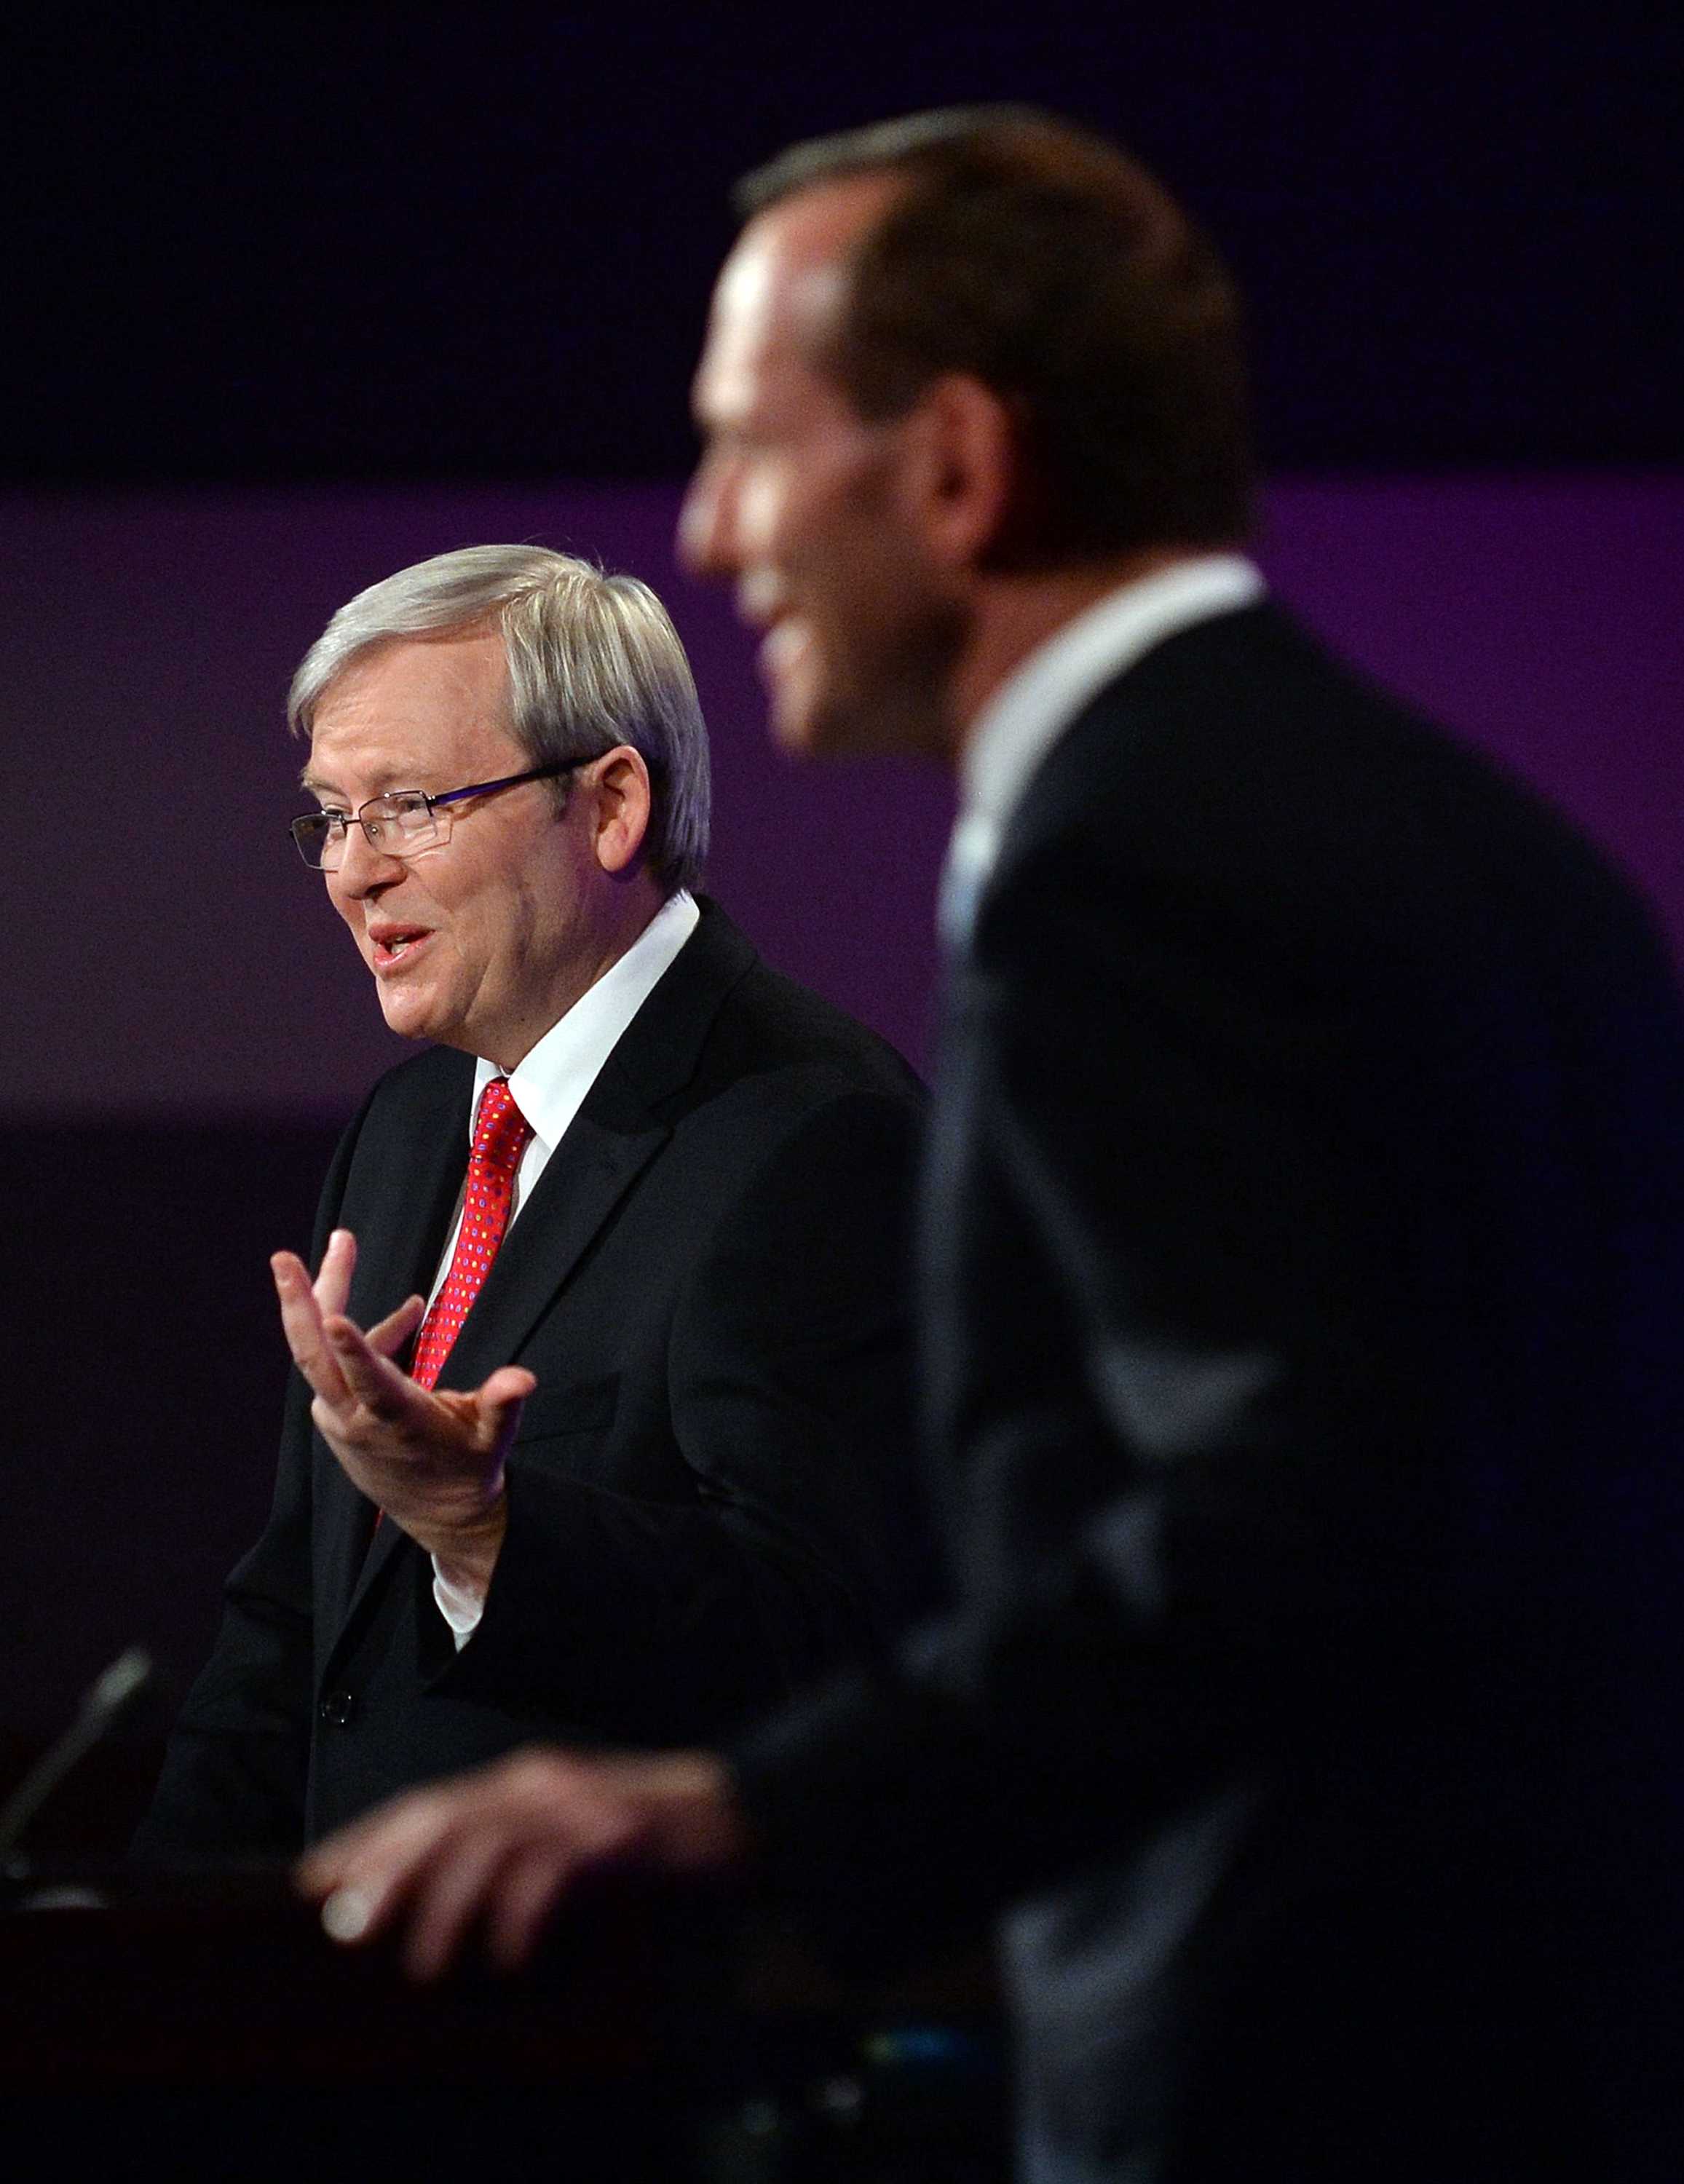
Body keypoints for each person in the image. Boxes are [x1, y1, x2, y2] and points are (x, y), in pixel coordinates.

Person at [299, 114, 1684, 2180]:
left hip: (1294, 2070)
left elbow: (1276, 1533)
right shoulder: (1450, 829)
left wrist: (735, 1812)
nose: (713, 532)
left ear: (950, 465)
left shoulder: (1139, 865)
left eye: (747, 449)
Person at [134, 543, 929, 1859]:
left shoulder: (816, 1135)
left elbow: (830, 1637)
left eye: (407, 805)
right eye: (331, 815)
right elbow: (298, 1616)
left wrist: (487, 1528)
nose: (352, 870)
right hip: (345, 1965)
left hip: (622, 1964)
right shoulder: (407, 1130)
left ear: (609, 806)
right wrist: (137, 1934)